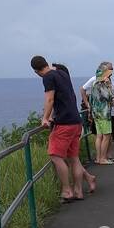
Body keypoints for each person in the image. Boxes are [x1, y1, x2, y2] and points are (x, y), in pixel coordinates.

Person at [31, 55, 95, 201]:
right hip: (76, 121)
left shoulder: (47, 77)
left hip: (64, 124)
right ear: (46, 63)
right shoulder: (62, 73)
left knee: (55, 155)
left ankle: (67, 191)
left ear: (36, 71)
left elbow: (50, 99)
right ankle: (79, 191)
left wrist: (45, 118)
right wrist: (53, 114)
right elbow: (65, 97)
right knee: (74, 158)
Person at [82, 64, 114, 142]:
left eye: (112, 68)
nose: (111, 70)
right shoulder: (95, 79)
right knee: (102, 136)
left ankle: (106, 154)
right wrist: (87, 105)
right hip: (103, 113)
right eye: (109, 69)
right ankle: (102, 154)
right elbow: (83, 89)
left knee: (109, 136)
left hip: (110, 112)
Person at [88, 62, 114, 165]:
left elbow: (91, 98)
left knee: (99, 136)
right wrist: (109, 85)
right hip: (104, 113)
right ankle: (103, 158)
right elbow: (110, 96)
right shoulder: (103, 84)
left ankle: (98, 158)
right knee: (106, 135)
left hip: (96, 113)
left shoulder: (94, 83)